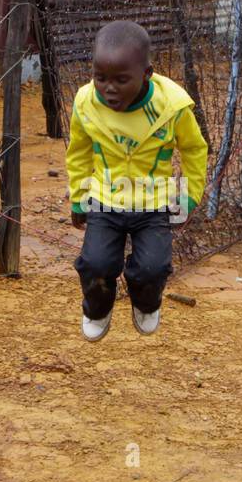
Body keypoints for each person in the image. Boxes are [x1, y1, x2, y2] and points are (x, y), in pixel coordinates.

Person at [66, 21, 209, 341]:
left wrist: (188, 196)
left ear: (147, 74)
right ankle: (97, 310)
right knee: (95, 264)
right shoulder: (86, 103)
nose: (109, 88)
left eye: (121, 79)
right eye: (100, 77)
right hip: (106, 199)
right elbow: (79, 151)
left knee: (153, 269)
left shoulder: (171, 107)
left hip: (154, 201)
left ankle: (146, 303)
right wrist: (78, 195)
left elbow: (194, 149)